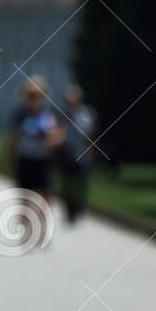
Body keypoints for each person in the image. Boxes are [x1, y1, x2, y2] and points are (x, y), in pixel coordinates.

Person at [4, 75, 63, 209]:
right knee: (25, 197)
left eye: (37, 95)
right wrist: (8, 160)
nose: (34, 99)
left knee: (46, 194)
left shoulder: (50, 114)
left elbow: (59, 135)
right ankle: (26, 223)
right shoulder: (19, 115)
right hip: (25, 159)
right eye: (31, 95)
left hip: (44, 160)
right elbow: (11, 138)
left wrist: (51, 139)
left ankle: (41, 222)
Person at [56, 85, 99, 224]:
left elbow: (91, 134)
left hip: (83, 152)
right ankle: (69, 210)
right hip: (66, 153)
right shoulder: (63, 114)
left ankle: (79, 208)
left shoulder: (88, 113)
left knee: (81, 183)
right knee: (67, 183)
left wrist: (91, 150)